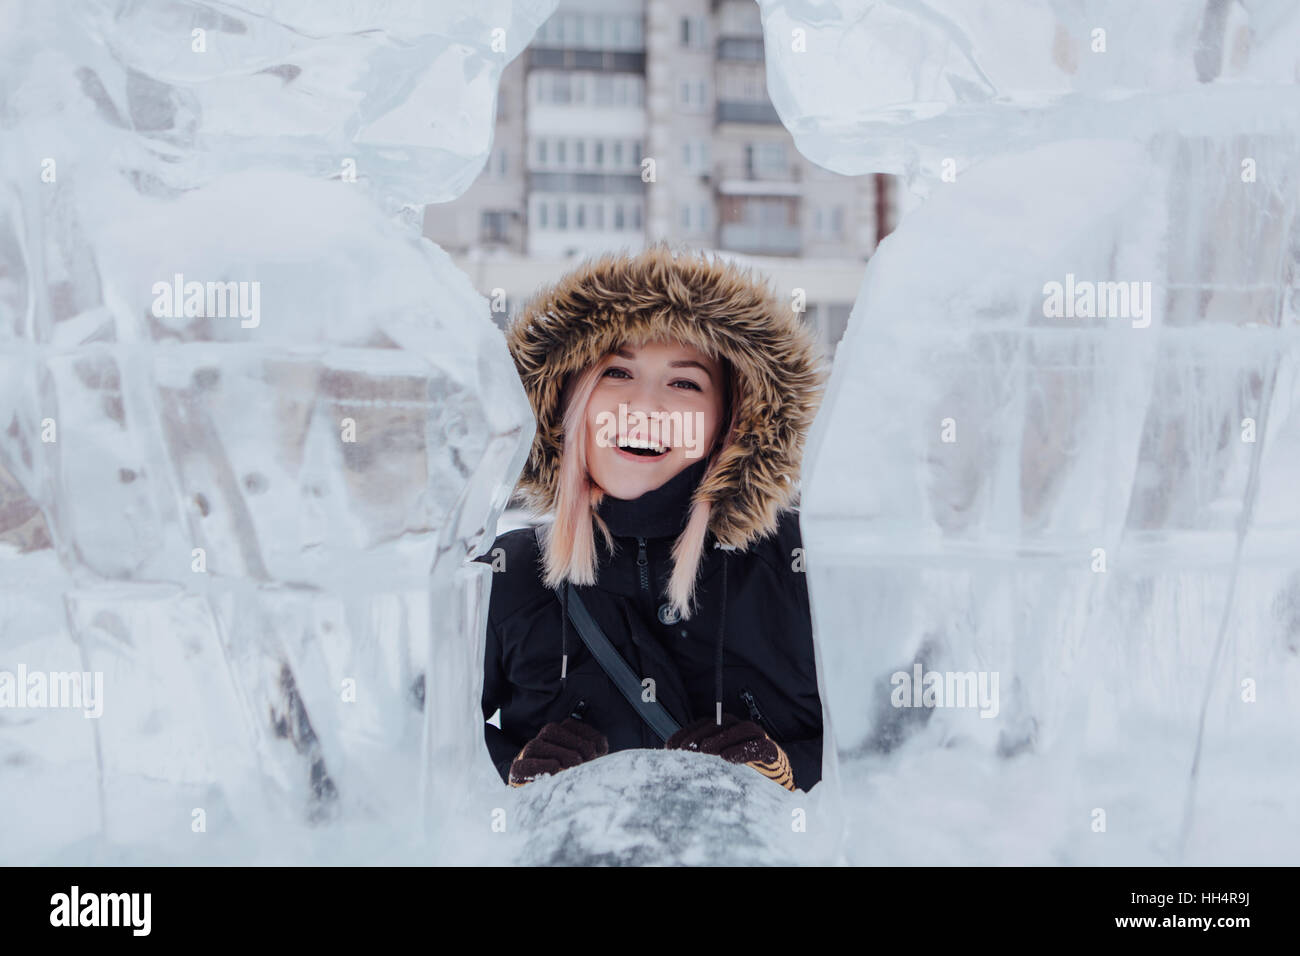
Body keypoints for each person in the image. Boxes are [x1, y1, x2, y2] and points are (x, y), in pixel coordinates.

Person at [474, 241, 828, 792]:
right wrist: (511, 775)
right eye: (616, 373)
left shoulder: (804, 562)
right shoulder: (509, 573)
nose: (643, 408)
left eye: (684, 382)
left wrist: (791, 771)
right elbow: (415, 737)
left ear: (730, 418)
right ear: (570, 401)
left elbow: (907, 743)